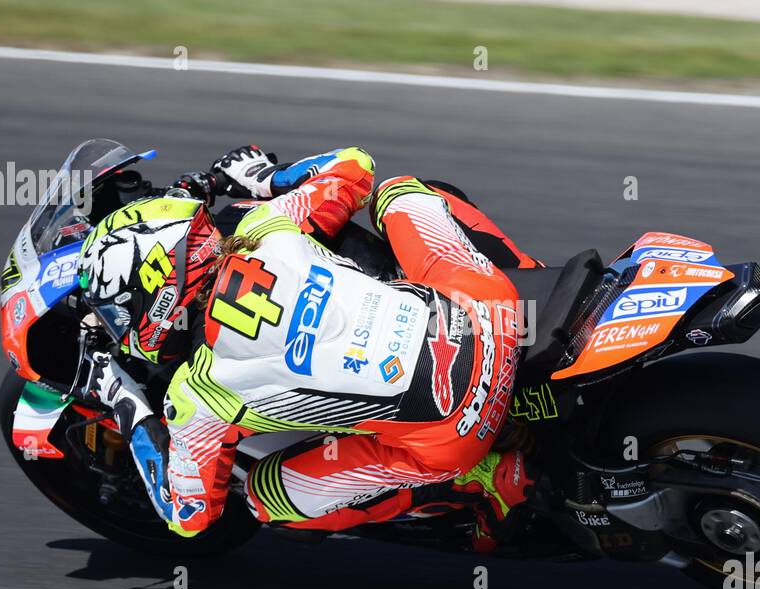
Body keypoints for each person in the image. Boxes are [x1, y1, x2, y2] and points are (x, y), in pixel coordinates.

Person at [75, 145, 538, 550]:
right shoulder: (265, 226)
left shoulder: (199, 391)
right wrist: (263, 179)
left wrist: (122, 398)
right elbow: (355, 166)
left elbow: (190, 517)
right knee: (399, 191)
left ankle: (481, 482)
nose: (117, 325)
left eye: (117, 311)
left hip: (459, 431)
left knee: (264, 496)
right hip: (494, 311)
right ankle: (536, 281)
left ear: (152, 296)